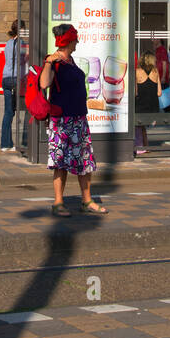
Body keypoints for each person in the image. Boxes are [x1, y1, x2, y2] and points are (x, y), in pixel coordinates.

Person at [40, 23, 106, 216]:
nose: (78, 41)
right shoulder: (55, 61)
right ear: (69, 40)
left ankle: (87, 201)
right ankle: (58, 203)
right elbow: (44, 83)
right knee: (60, 162)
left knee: (85, 161)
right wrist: (48, 62)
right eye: (75, 38)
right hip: (62, 120)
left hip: (78, 118)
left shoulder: (70, 60)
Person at [1, 21, 27, 152]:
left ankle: (5, 144)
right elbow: (24, 61)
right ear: (21, 30)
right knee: (26, 110)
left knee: (8, 112)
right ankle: (25, 141)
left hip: (6, 78)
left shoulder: (8, 43)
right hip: (17, 79)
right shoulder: (22, 44)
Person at [134, 51, 161, 154]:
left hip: (140, 105)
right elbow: (159, 93)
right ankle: (145, 146)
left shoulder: (137, 72)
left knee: (138, 125)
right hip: (153, 106)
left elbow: (135, 92)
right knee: (143, 127)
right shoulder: (156, 72)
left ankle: (140, 147)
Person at [155, 40, 170, 112]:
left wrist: (163, 77)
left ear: (159, 40)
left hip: (162, 76)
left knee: (165, 96)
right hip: (158, 76)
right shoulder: (157, 49)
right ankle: (168, 112)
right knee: (163, 96)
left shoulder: (162, 50)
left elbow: (164, 63)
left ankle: (168, 113)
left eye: (155, 38)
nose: (153, 40)